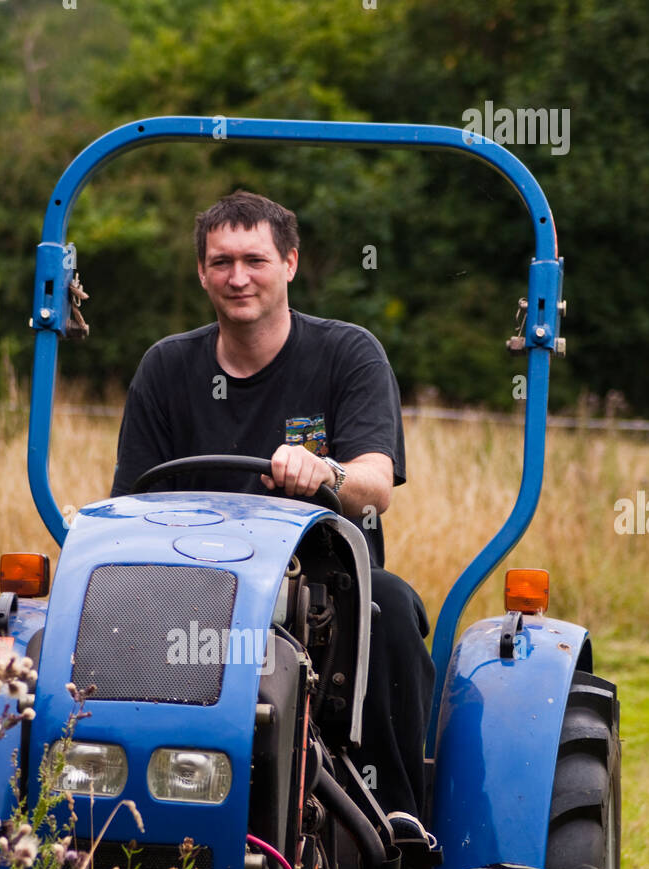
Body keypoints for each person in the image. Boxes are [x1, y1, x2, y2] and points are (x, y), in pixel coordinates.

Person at [111, 190, 435, 820]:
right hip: (194, 588)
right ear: (201, 272)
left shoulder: (347, 354)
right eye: (221, 262)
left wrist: (326, 470)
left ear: (290, 262)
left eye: (254, 260)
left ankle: (396, 825)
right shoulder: (166, 367)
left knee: (390, 606)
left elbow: (375, 480)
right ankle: (114, 810)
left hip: (321, 591)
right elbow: (132, 503)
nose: (238, 277)